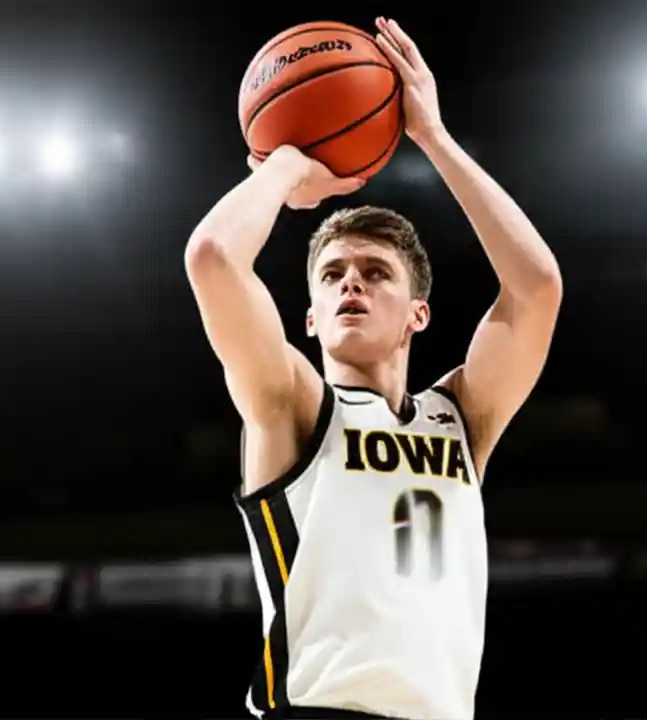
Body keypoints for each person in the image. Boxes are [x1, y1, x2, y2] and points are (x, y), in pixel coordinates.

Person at [184, 16, 563, 720]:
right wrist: (289, 165)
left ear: (419, 314)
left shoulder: (460, 417)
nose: (350, 283)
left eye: (375, 272)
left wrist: (433, 137)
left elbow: (537, 287)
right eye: (331, 276)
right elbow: (212, 259)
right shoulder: (294, 406)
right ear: (310, 318)